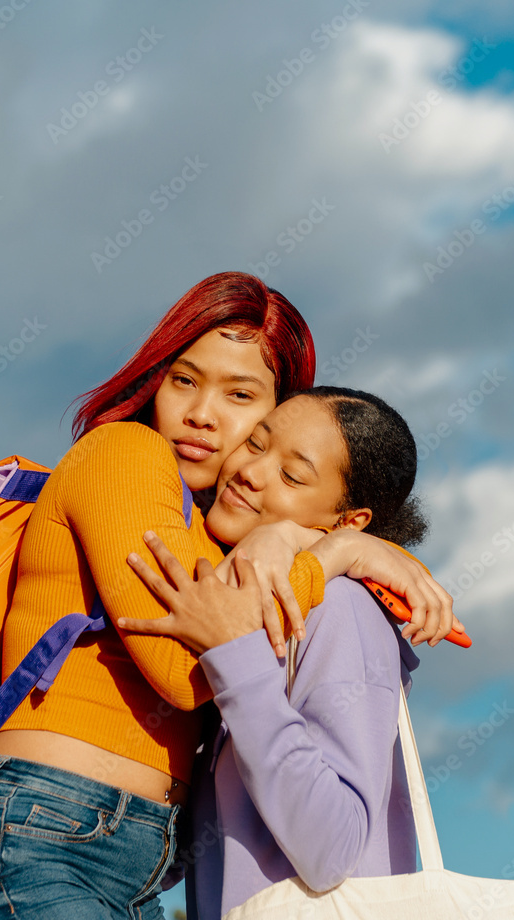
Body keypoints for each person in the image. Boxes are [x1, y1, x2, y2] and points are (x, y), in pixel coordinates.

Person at [0, 276, 455, 920]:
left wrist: (292, 538)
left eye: (240, 396)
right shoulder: (126, 454)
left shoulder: (217, 533)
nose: (201, 414)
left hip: (124, 861)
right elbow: (185, 667)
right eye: (184, 380)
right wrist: (334, 554)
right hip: (32, 836)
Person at [117, 388, 438, 919]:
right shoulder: (274, 605)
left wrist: (234, 659)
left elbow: (330, 849)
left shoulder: (340, 610)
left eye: (292, 476)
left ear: (349, 522)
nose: (250, 471)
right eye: (256, 444)